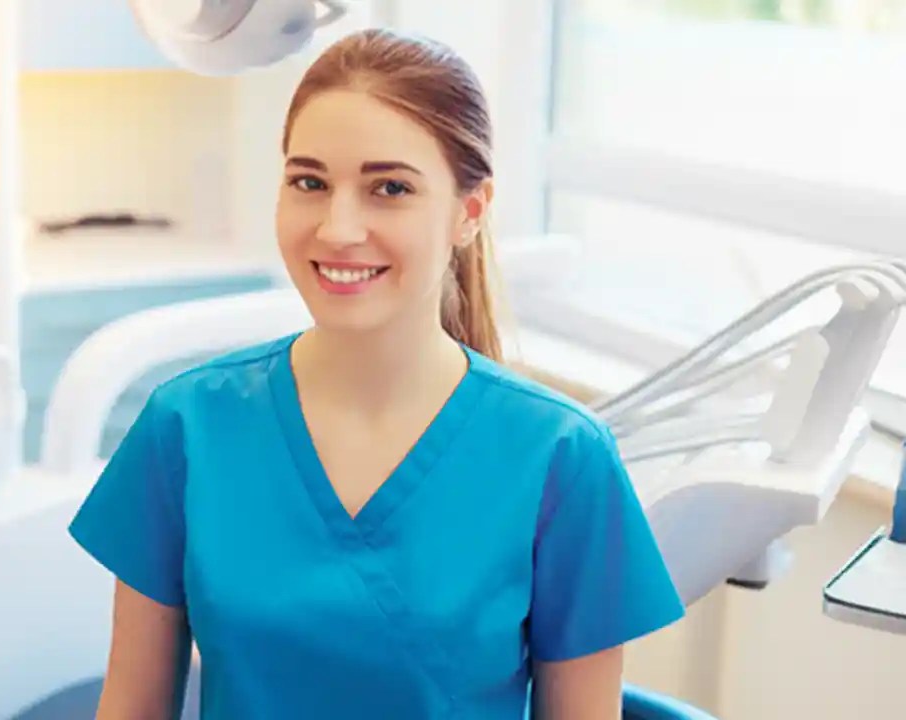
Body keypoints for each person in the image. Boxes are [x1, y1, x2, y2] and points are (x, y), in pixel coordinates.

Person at [68, 28, 685, 719]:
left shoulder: (561, 459)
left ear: (468, 212)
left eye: (389, 188)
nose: (337, 228)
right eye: (309, 182)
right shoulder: (186, 429)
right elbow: (131, 709)